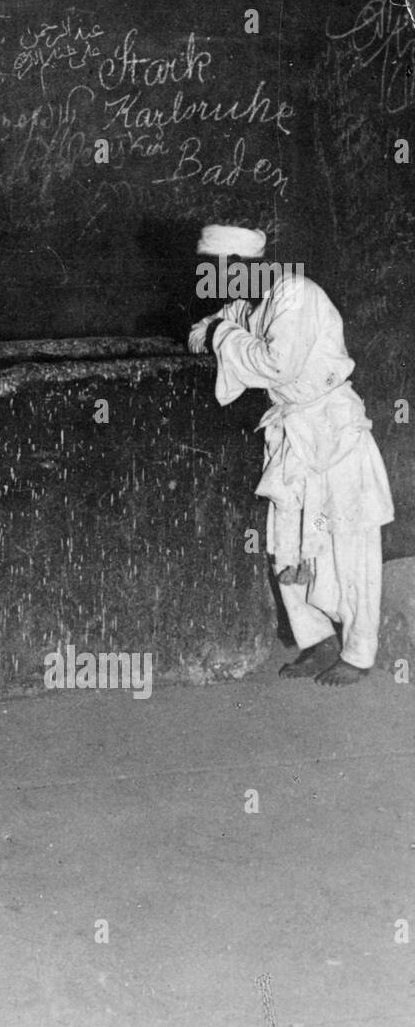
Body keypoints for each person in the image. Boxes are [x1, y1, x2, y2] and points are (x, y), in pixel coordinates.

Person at [188, 224, 393, 686]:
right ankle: (316, 640)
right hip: (294, 435)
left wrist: (223, 334)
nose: (212, 282)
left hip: (333, 434)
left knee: (348, 540)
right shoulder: (250, 304)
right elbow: (204, 331)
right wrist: (218, 329)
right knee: (286, 539)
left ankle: (359, 653)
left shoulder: (296, 295)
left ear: (242, 266)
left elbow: (277, 364)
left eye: (217, 272)